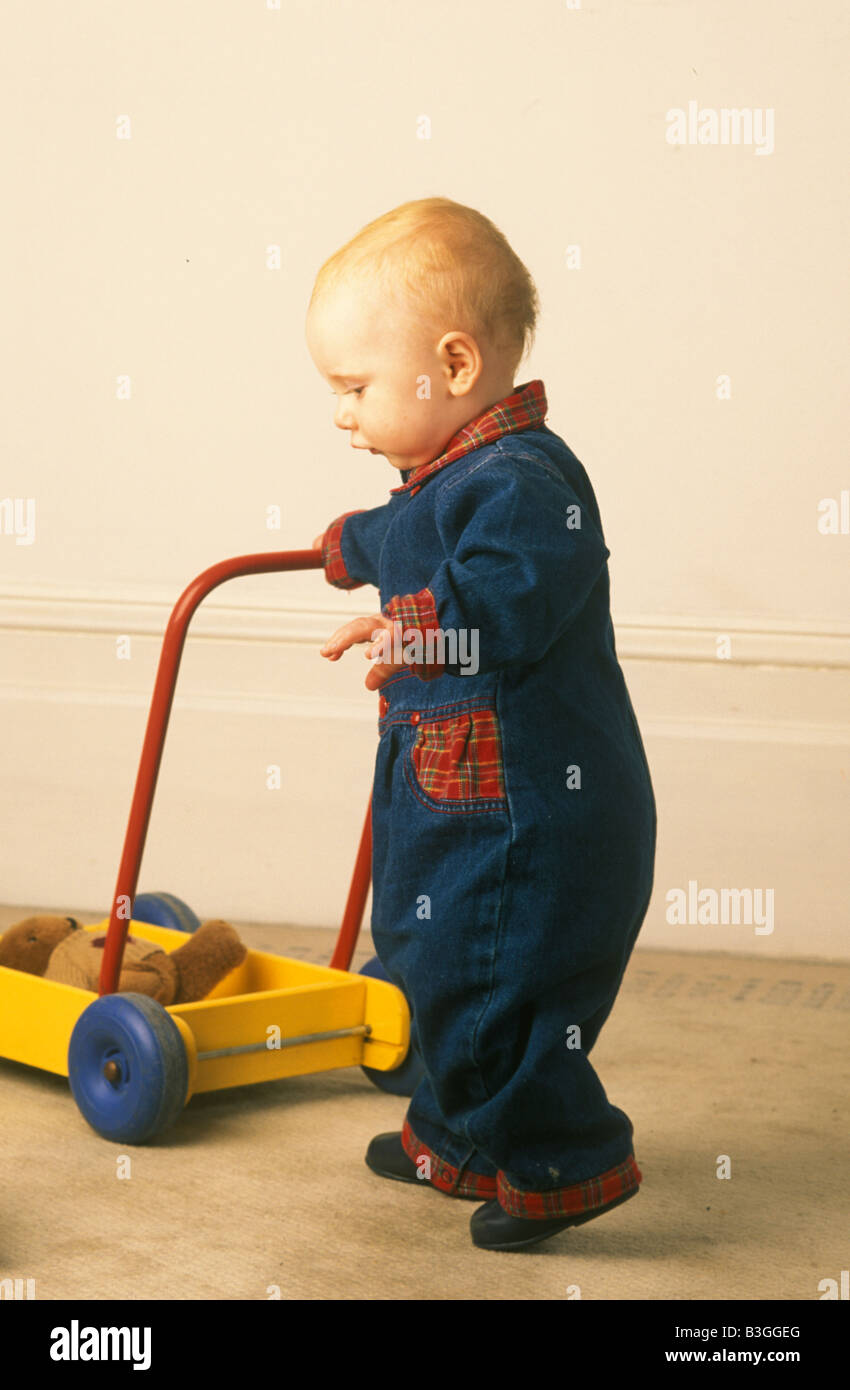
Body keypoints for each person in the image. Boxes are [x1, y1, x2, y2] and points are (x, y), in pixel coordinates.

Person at [305, 197, 657, 1252]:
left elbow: (503, 600)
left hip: (528, 818)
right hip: (455, 801)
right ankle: (457, 1138)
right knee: (429, 959)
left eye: (354, 387)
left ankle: (564, 1157)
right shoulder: (448, 479)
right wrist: (356, 556)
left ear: (454, 364)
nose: (341, 415)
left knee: (495, 981)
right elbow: (412, 535)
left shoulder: (524, 484)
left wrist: (409, 625)